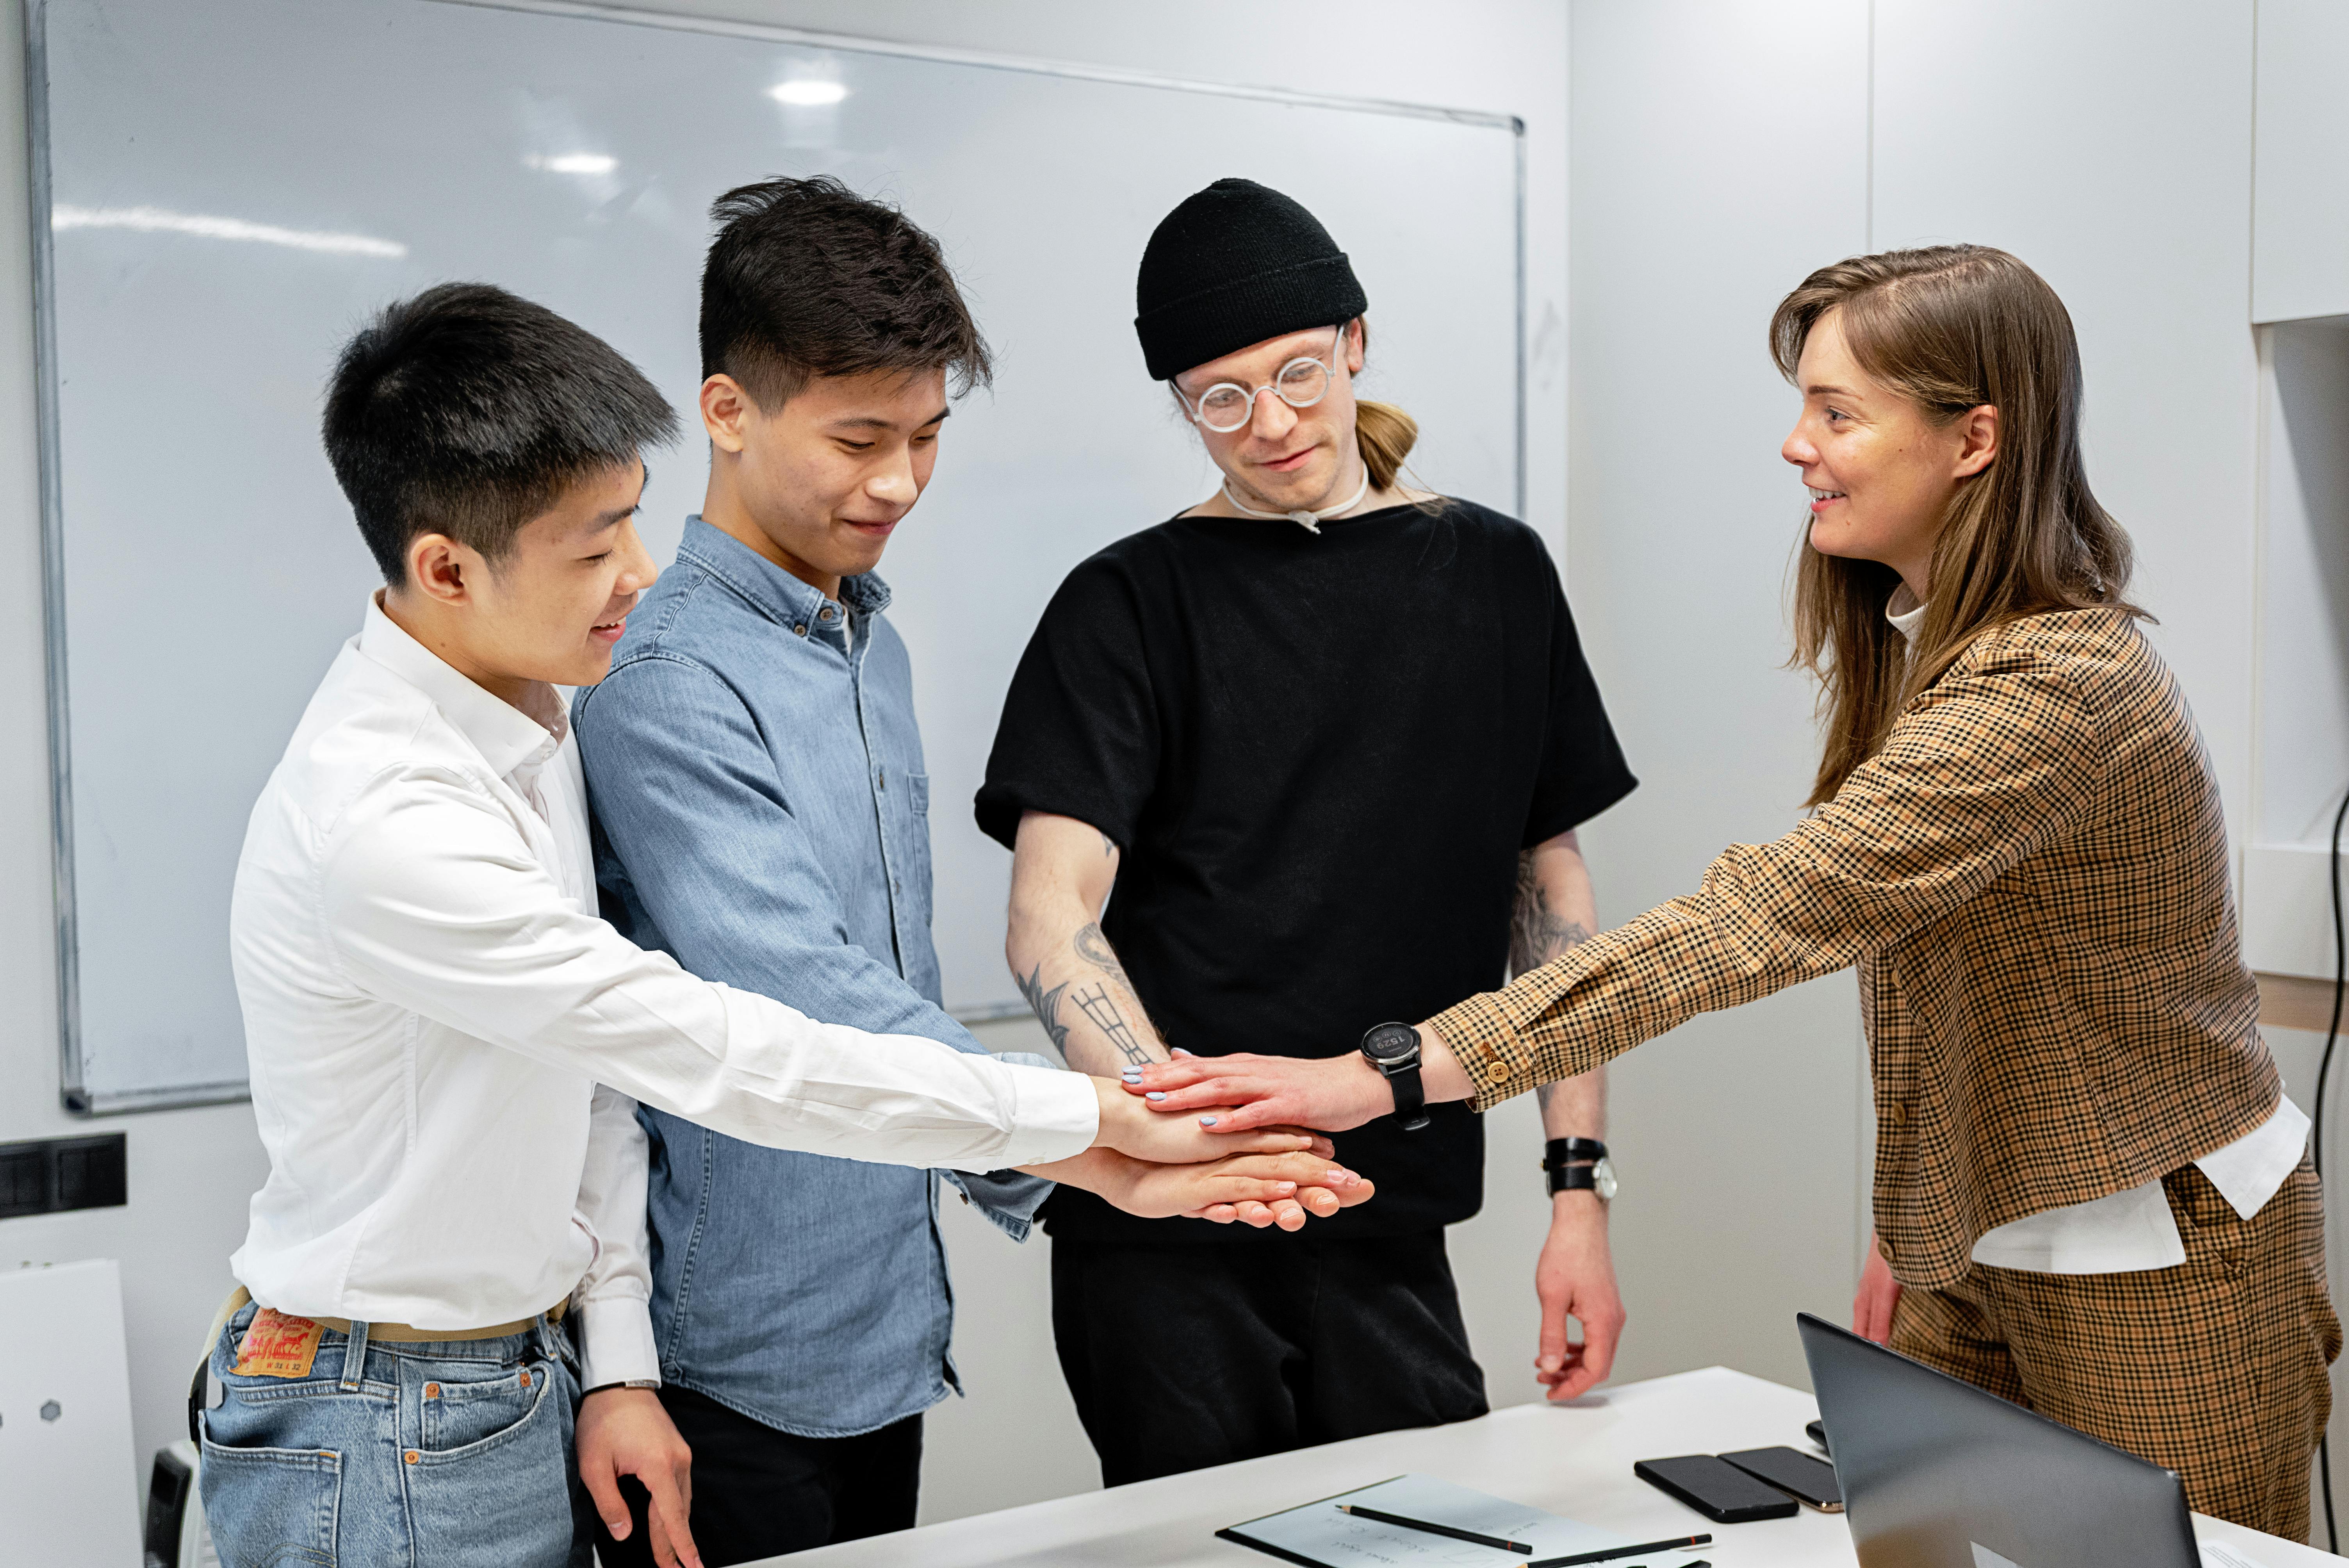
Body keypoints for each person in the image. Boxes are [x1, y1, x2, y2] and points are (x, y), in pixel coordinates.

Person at [1126, 244, 2340, 1539]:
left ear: (1974, 439)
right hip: (1979, 1237)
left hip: (2153, 1246)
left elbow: (1760, 920)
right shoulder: (1922, 642)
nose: (1794, 446)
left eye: (1836, 413)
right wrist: (1924, 1218)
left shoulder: (2055, 687)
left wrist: (1378, 1072)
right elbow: (1924, 957)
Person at [205, 282, 1370, 1568]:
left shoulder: (520, 720)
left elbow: (584, 1083)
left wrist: (612, 1359)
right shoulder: (394, 818)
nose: (638, 577)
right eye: (594, 549)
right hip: (389, 1411)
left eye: (631, 525)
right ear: (446, 569)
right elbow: (712, 1046)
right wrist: (1093, 1128)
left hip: (504, 1371)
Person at [571, 177, 1353, 1564]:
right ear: (729, 411)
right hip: (728, 1359)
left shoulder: (866, 633)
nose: (898, 484)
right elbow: (803, 993)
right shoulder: (667, 674)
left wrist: (1089, 1147)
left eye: (927, 437)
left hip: (883, 1323)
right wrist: (1095, 1146)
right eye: (860, 439)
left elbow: (887, 981)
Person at [975, 177, 1637, 1486]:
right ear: (1178, 402)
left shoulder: (1497, 574)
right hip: (1170, 1243)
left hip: (1395, 1215)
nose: (1268, 425)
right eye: (1219, 398)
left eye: (1295, 375)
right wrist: (1198, 1143)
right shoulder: (1123, 604)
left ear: (1356, 341)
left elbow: (1553, 905)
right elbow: (1054, 920)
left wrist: (1579, 1191)